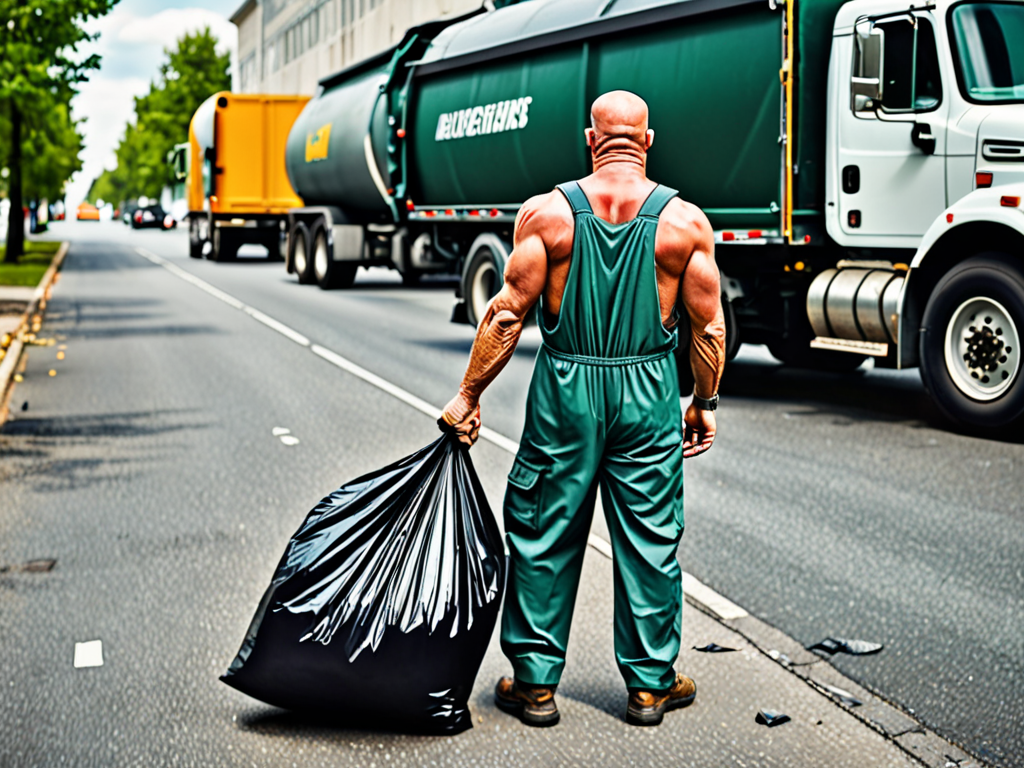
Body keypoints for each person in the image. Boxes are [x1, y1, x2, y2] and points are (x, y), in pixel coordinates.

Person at [440, 90, 726, 727]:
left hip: (565, 390)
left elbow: (506, 312)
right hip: (648, 391)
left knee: (543, 531)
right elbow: (709, 330)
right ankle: (650, 685)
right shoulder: (685, 224)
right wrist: (703, 402)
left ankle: (535, 685)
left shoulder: (546, 216)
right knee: (651, 537)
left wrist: (468, 397)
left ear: (590, 141)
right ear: (647, 143)